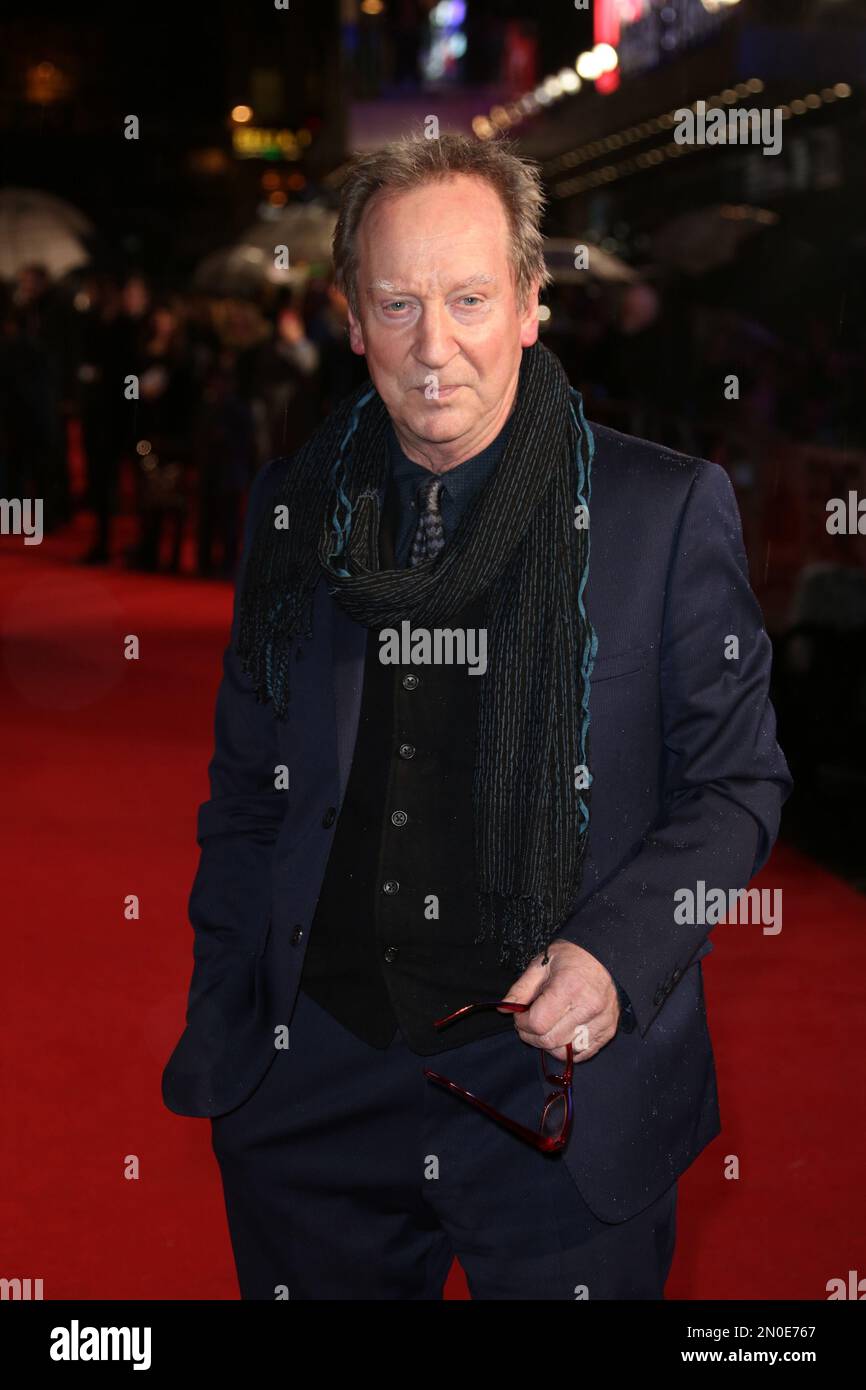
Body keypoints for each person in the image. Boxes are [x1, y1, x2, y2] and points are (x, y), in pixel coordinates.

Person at [162, 134, 793, 1300]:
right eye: (396, 304)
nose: (432, 348)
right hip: (312, 1097)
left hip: (556, 1100)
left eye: (466, 299)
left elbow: (736, 784)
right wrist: (234, 1006)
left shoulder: (660, 511)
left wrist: (617, 953)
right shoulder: (294, 512)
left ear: (529, 305)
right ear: (352, 318)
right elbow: (249, 785)